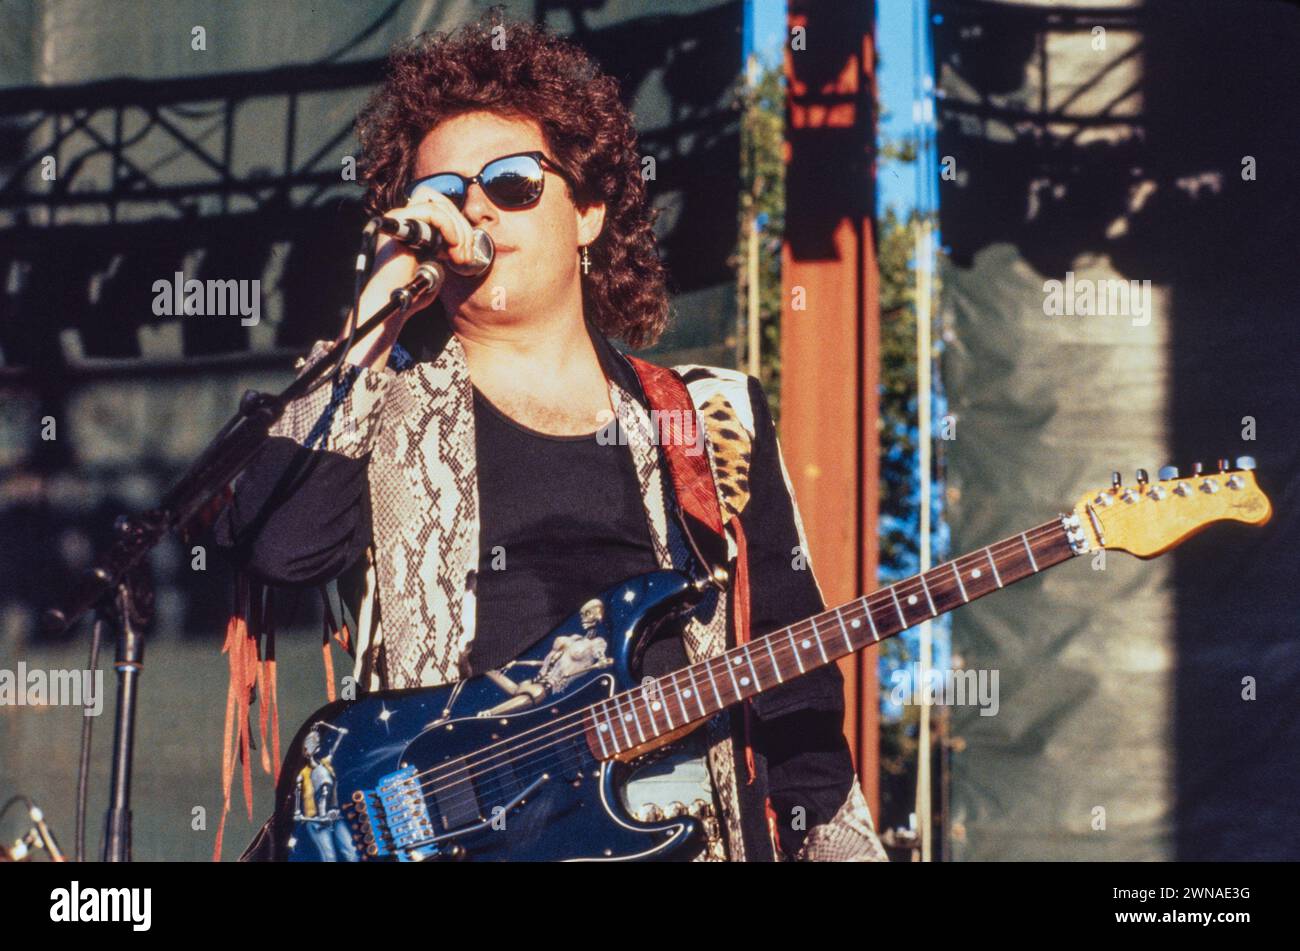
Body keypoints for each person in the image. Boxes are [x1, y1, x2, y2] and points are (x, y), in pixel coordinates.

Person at [216, 13, 886, 862]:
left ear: (591, 212)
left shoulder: (710, 419)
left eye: (512, 183)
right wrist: (380, 299)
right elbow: (280, 546)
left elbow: (797, 698)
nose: (477, 210)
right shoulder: (381, 402)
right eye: (446, 193)